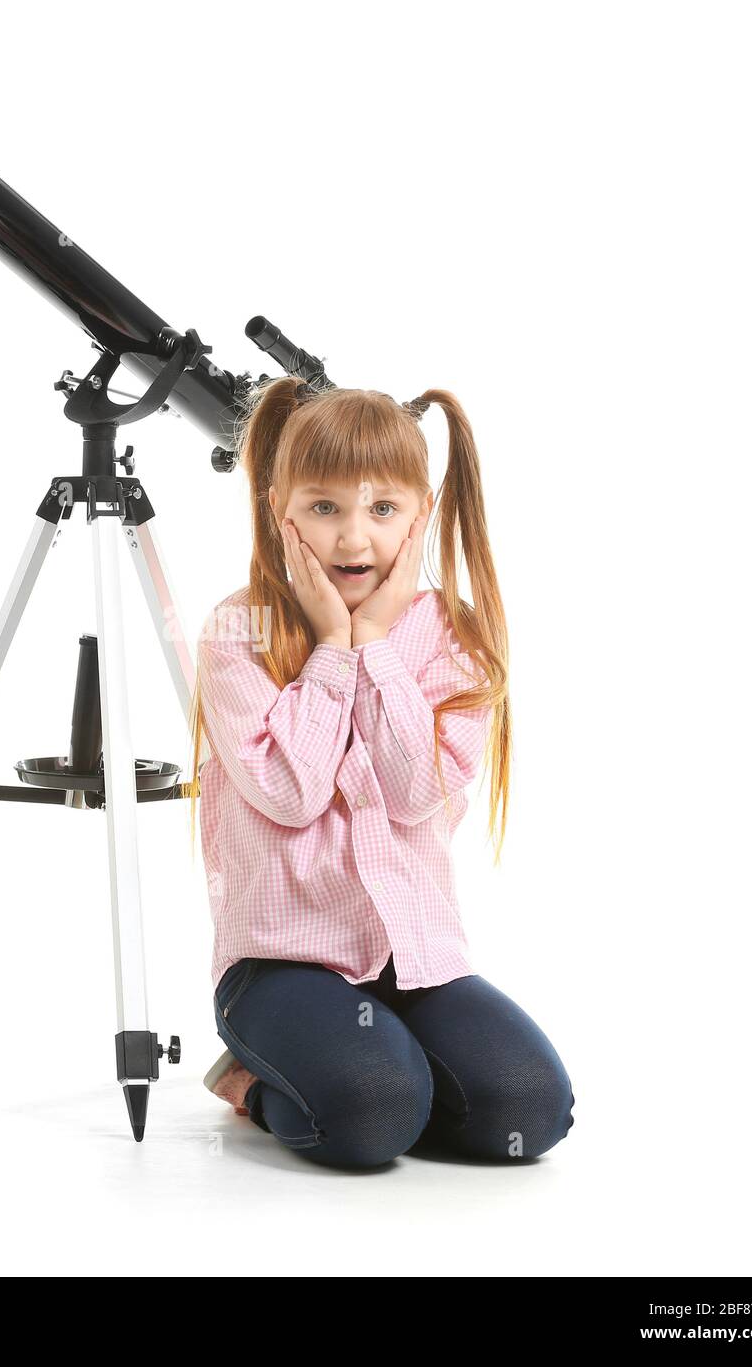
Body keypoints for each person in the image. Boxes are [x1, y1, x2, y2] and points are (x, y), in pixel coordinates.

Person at [183, 376, 575, 1169]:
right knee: (368, 1121)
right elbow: (290, 796)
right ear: (280, 513)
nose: (354, 541)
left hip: (413, 959)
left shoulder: (450, 636)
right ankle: (259, 1081)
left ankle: (382, 1073)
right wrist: (333, 649)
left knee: (528, 1111)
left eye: (382, 510)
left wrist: (377, 647)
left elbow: (411, 792)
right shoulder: (240, 627)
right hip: (281, 963)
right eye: (324, 508)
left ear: (420, 514)